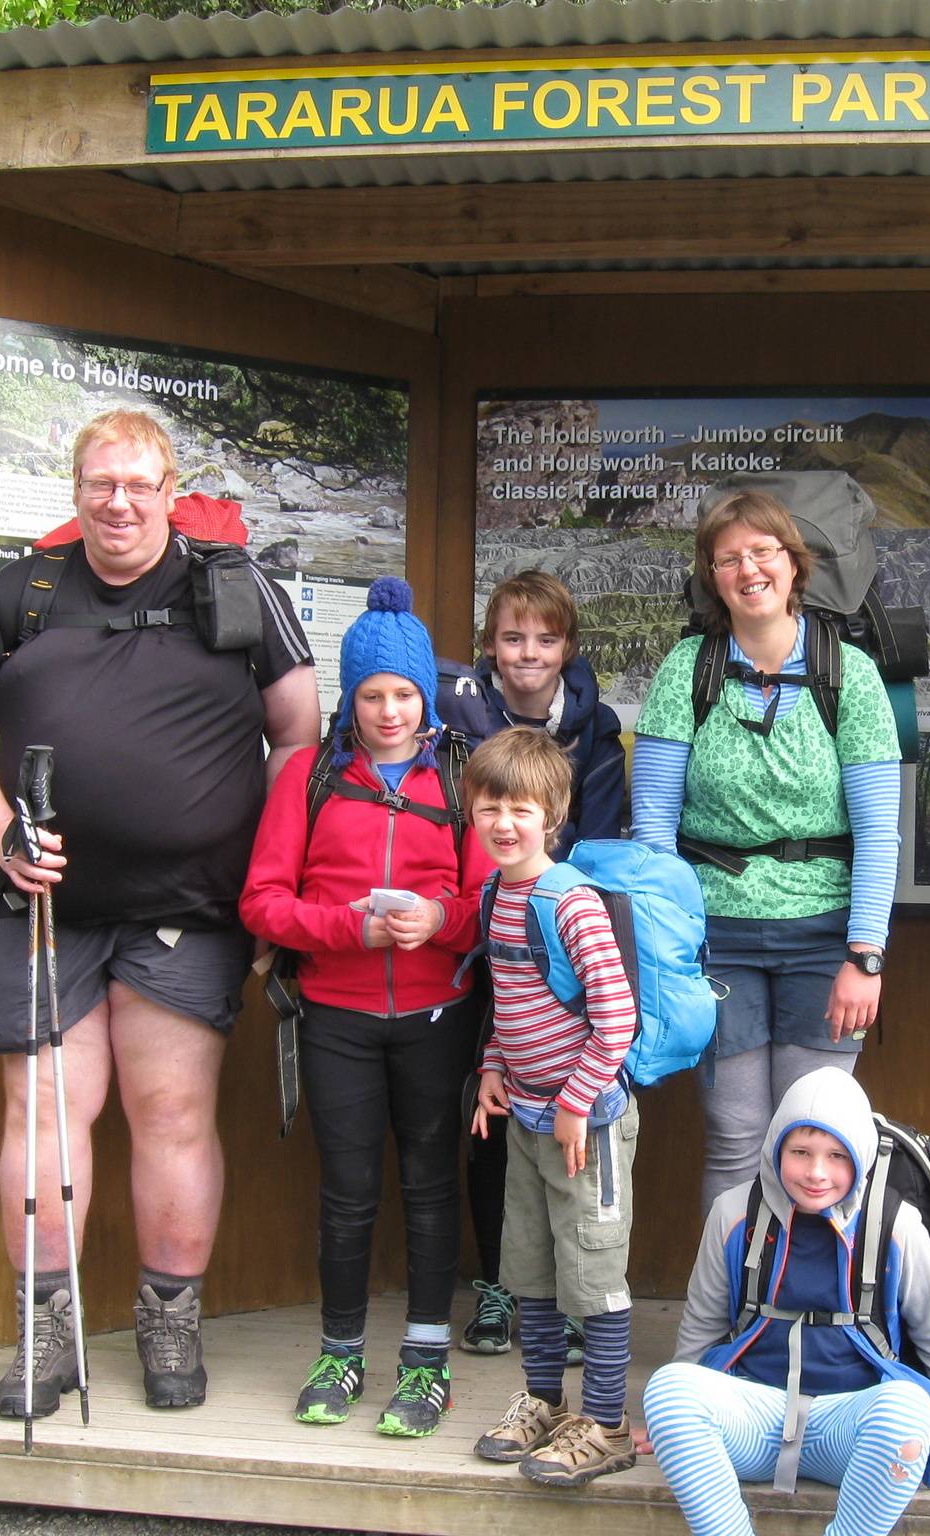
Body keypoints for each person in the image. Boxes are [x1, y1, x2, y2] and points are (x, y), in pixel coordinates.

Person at [0, 408, 321, 1419]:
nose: (119, 501)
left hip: (186, 911)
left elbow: (297, 729)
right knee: (45, 1115)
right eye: (100, 482)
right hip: (46, 907)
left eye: (138, 483)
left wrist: (264, 867)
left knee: (172, 1116)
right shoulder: (26, 592)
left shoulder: (234, 588)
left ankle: (167, 1323)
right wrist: (0, 831)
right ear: (76, 490)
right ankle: (43, 1335)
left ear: (170, 489)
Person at [239, 575, 484, 1439]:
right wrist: (346, 928)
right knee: (346, 1196)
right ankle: (340, 1353)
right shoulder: (307, 776)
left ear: (426, 696)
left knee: (427, 1191)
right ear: (351, 698)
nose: (389, 712)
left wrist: (439, 920)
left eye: (405, 694)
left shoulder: (461, 774)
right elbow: (263, 903)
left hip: (435, 1020)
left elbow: (489, 904)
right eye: (372, 695)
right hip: (334, 1018)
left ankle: (425, 1366)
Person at [632, 493, 901, 1215]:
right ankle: (734, 1307)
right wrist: (670, 938)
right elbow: (654, 822)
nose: (748, 569)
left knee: (816, 1137)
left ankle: (816, 1307)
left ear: (793, 564)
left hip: (826, 940)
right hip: (715, 938)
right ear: (712, 577)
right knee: (735, 1134)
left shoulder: (850, 674)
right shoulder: (688, 669)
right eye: (729, 558)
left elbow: (880, 831)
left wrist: (865, 955)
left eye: (763, 552)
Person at [644, 1068, 930, 1536]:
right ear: (775, 1151)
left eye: (836, 1155)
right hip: (754, 1420)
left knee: (910, 1406)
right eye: (800, 1153)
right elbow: (701, 1326)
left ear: (861, 1156)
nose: (816, 1173)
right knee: (667, 1388)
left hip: (850, 1429)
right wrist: (675, 1426)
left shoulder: (898, 1224)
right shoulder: (733, 1212)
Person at [437, 569, 625, 1359]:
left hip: (565, 944)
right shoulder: (453, 719)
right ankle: (499, 1287)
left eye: (545, 640)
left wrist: (545, 885)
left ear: (568, 649)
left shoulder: (599, 729)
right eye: (512, 639)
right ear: (489, 646)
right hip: (484, 937)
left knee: (577, 1158)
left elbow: (609, 844)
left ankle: (582, 1307)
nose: (528, 654)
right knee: (494, 1123)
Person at [463, 728, 639, 1487]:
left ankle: (603, 1424)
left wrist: (574, 1102)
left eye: (521, 808)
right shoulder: (494, 895)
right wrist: (494, 1070)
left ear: (553, 815)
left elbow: (616, 1017)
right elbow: (512, 1001)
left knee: (593, 1278)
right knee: (529, 1270)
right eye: (489, 807)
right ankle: (542, 1402)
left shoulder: (569, 902)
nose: (504, 823)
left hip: (586, 1127)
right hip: (529, 1119)